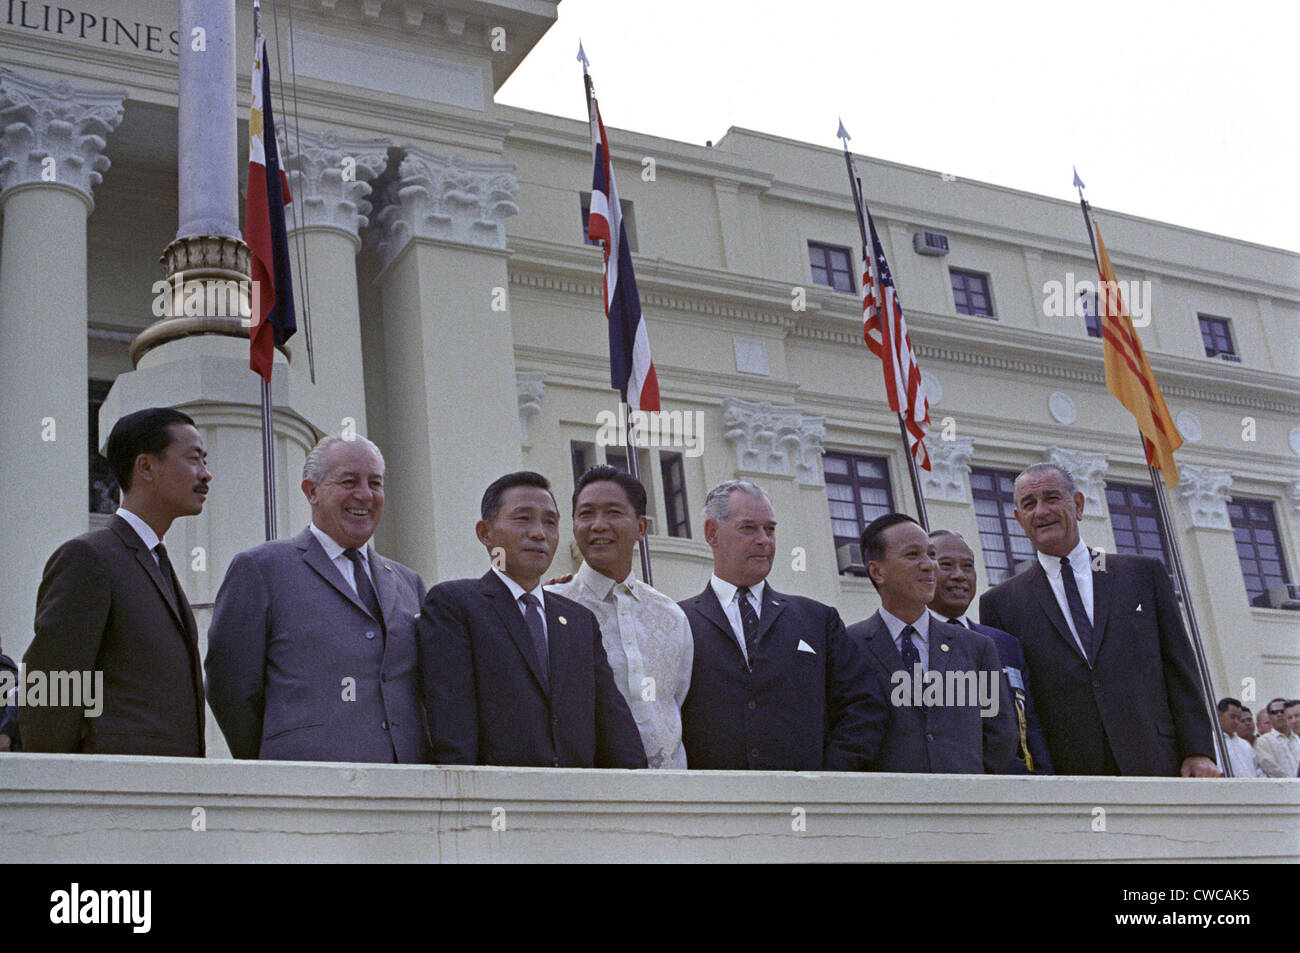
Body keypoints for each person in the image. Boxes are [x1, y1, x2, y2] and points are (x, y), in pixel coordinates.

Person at [979, 463, 1218, 777]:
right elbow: (1014, 703)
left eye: (1051, 498)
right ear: (1019, 519)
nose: (1041, 511)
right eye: (1029, 504)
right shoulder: (1000, 603)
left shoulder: (1142, 575)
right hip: (1068, 774)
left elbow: (1180, 668)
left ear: (1077, 505)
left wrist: (1198, 751)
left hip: (1157, 759)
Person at [206, 434, 428, 762]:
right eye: (349, 481)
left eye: (375, 483)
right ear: (312, 491)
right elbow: (231, 686)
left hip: (406, 785)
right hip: (306, 785)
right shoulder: (261, 569)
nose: (365, 494)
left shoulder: (409, 582)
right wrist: (271, 759)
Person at [418, 471, 645, 768]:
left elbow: (614, 726)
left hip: (577, 803)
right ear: (485, 533)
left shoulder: (579, 620)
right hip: (498, 803)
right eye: (523, 518)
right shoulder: (456, 605)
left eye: (550, 522)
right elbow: (452, 724)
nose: (539, 533)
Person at [22, 408, 210, 755]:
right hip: (114, 794)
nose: (206, 475)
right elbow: (52, 687)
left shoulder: (157, 562)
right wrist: (63, 786)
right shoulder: (89, 558)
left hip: (170, 790)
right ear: (146, 467)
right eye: (193, 459)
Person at [678, 480, 885, 771]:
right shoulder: (677, 621)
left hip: (807, 805)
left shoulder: (817, 619)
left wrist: (829, 775)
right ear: (712, 533)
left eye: (770, 529)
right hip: (716, 807)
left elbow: (863, 706)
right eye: (749, 528)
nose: (764, 540)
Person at [845, 515, 1016, 773]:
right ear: (877, 571)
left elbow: (1000, 735)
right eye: (913, 555)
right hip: (887, 807)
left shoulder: (977, 648)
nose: (929, 566)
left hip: (964, 805)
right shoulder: (849, 646)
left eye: (931, 555)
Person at [547, 466, 693, 768]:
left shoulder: (671, 616)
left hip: (670, 796)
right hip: (591, 794)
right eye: (586, 514)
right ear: (573, 526)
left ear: (641, 527)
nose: (598, 525)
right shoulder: (552, 608)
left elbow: (675, 703)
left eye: (613, 512)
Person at [926, 529, 1052, 774]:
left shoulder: (1004, 643)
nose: (959, 576)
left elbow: (1031, 725)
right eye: (947, 565)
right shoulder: (910, 642)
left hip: (1016, 788)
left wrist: (1044, 779)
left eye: (968, 566)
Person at [1217, 697, 1263, 778]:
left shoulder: (1244, 744)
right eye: (1232, 717)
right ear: (1219, 715)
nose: (1236, 722)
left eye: (1238, 718)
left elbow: (1257, 770)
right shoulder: (1213, 742)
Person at [1255, 698, 1300, 778]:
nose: (1279, 714)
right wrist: (1293, 783)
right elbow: (1271, 769)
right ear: (1269, 716)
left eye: (1282, 711)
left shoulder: (1297, 737)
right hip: (1286, 788)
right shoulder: (1263, 742)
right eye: (1274, 712)